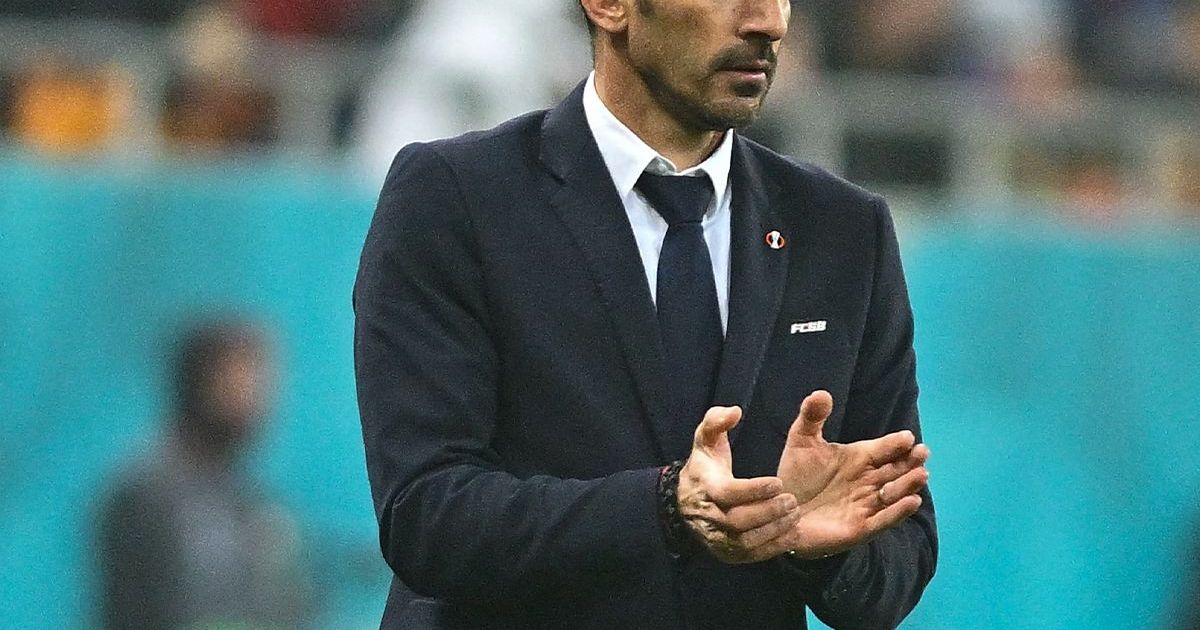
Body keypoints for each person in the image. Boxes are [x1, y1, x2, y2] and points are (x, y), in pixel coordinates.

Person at [353, 1, 937, 628]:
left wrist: (818, 545)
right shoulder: (456, 195)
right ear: (610, 6)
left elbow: (898, 554)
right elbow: (427, 515)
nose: (768, 21)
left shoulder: (843, 228)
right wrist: (664, 508)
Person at [97, 320, 310, 630]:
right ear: (199, 381)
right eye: (239, 377)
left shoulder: (252, 503)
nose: (254, 398)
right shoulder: (146, 494)